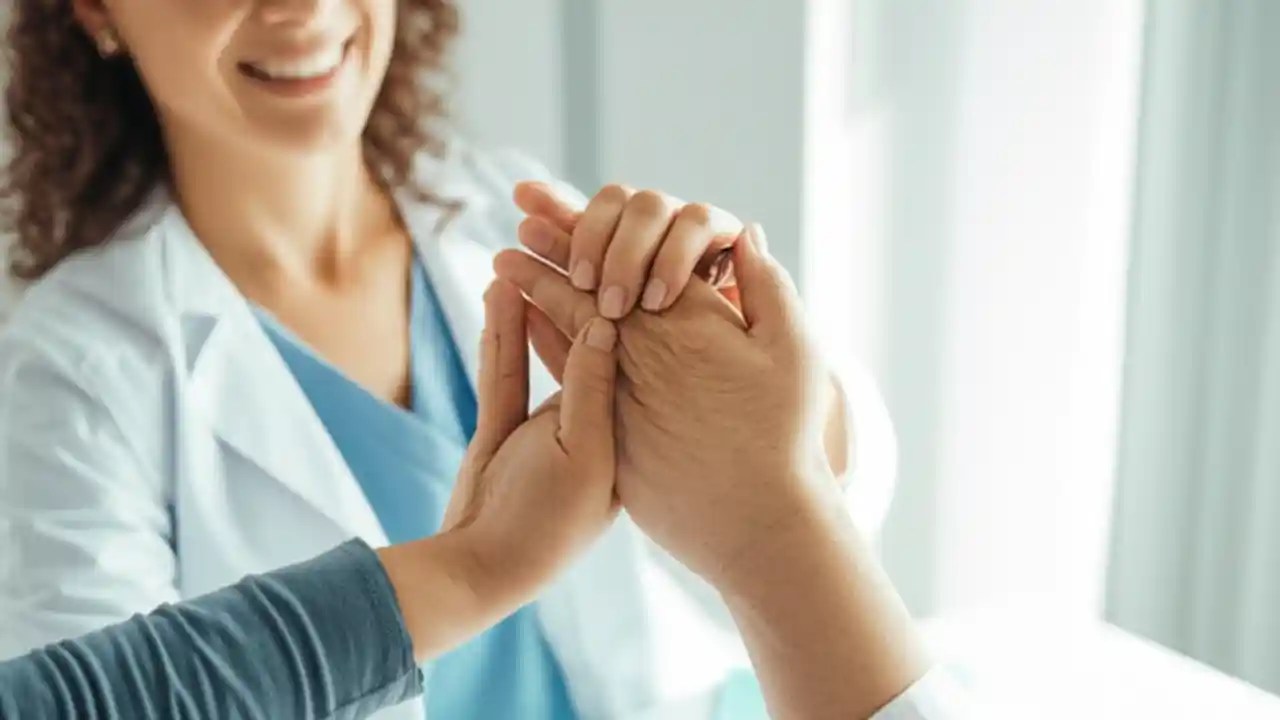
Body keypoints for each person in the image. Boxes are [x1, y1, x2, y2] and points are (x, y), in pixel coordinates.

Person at [1, 1, 895, 718]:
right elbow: (108, 692)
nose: (301, 8)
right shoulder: (74, 363)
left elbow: (838, 495)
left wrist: (753, 371)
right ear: (96, 9)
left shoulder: (500, 210)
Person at [1, 233, 960, 719]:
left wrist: (773, 442)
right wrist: (471, 568)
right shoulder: (79, 352)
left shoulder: (509, 214)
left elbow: (845, 470)